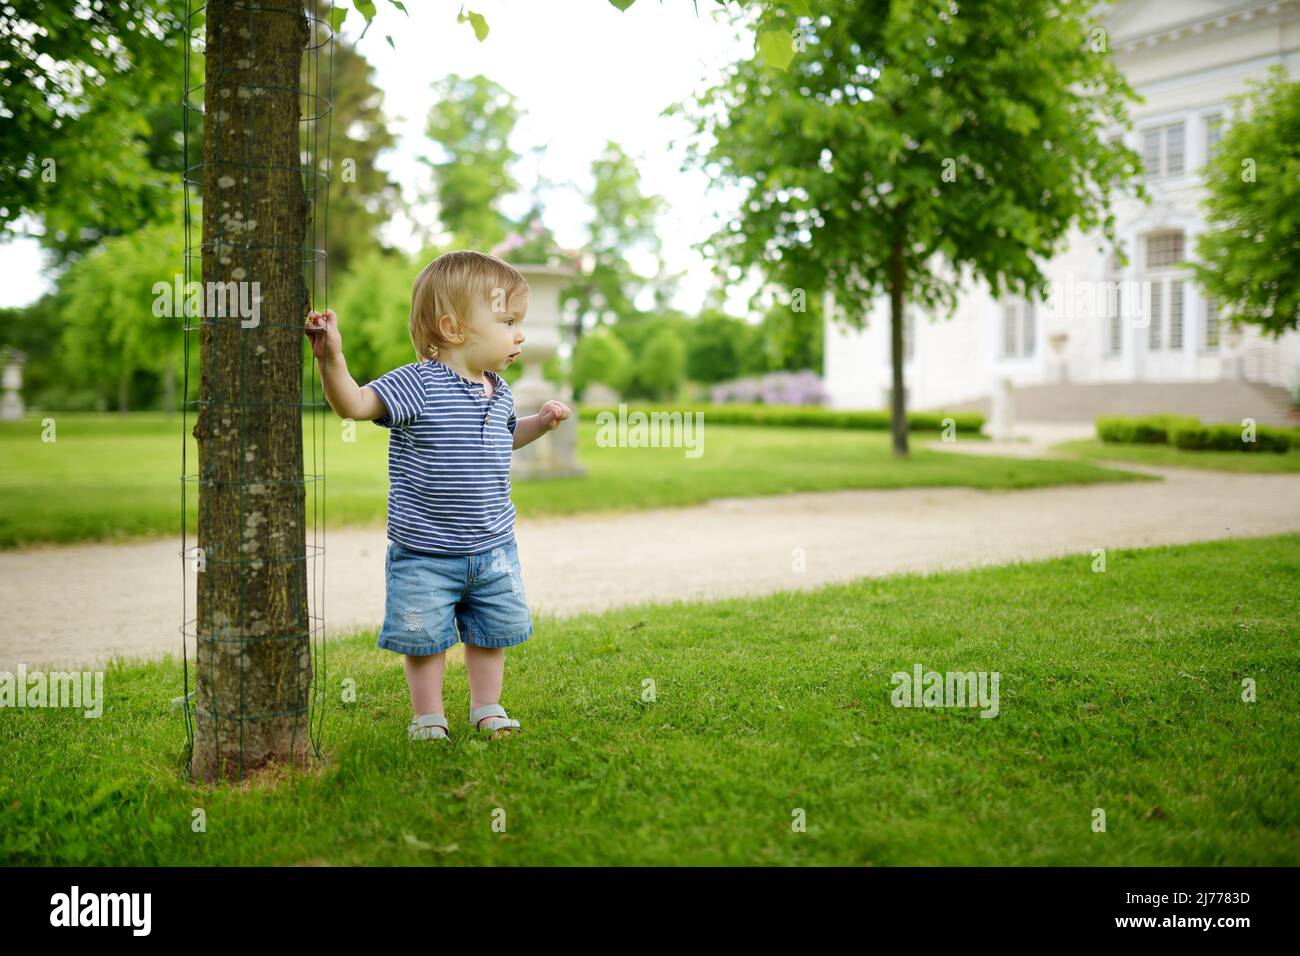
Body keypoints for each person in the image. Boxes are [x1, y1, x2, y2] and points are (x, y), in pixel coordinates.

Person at [305, 250, 571, 742]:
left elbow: (502, 438)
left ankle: (487, 707)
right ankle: (428, 715)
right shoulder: (418, 383)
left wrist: (541, 423)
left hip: (493, 547)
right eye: (508, 320)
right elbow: (355, 405)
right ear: (453, 327)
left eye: (521, 323)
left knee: (490, 634)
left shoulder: (500, 390)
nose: (520, 334)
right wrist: (333, 359)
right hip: (425, 550)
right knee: (424, 638)